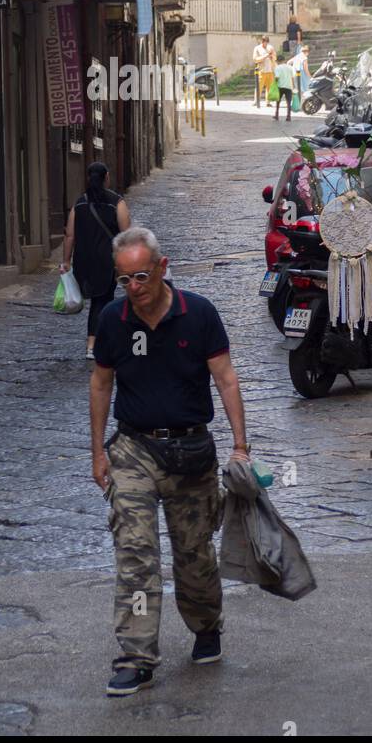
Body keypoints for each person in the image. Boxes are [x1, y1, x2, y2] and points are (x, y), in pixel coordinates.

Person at [89, 227, 249, 697]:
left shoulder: (198, 314)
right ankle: (136, 656)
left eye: (141, 276)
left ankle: (205, 625)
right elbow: (101, 384)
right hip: (134, 449)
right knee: (136, 554)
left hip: (191, 449)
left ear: (162, 267)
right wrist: (98, 450)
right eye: (124, 280)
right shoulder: (114, 319)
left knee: (194, 551)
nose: (133, 288)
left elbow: (226, 380)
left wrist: (240, 445)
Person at [62, 162, 131, 361]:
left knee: (100, 300)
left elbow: (69, 236)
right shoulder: (116, 202)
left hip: (83, 261)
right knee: (102, 301)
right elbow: (126, 235)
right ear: (107, 177)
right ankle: (93, 344)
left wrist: (66, 261)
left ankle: (103, 340)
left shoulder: (79, 203)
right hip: (107, 260)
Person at [252, 35, 276, 106]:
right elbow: (255, 59)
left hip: (270, 70)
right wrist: (265, 56)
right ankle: (256, 101)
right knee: (259, 87)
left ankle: (268, 102)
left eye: (267, 42)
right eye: (265, 42)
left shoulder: (270, 47)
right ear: (262, 42)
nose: (266, 44)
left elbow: (275, 58)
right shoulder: (257, 48)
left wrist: (272, 56)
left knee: (269, 87)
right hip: (261, 70)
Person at [273, 57, 294, 122]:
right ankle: (288, 116)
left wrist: (274, 84)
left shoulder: (277, 68)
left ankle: (276, 115)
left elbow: (277, 77)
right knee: (288, 102)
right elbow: (292, 77)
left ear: (278, 61)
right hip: (289, 86)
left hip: (280, 86)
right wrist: (293, 86)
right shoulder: (290, 67)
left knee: (278, 101)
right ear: (284, 60)